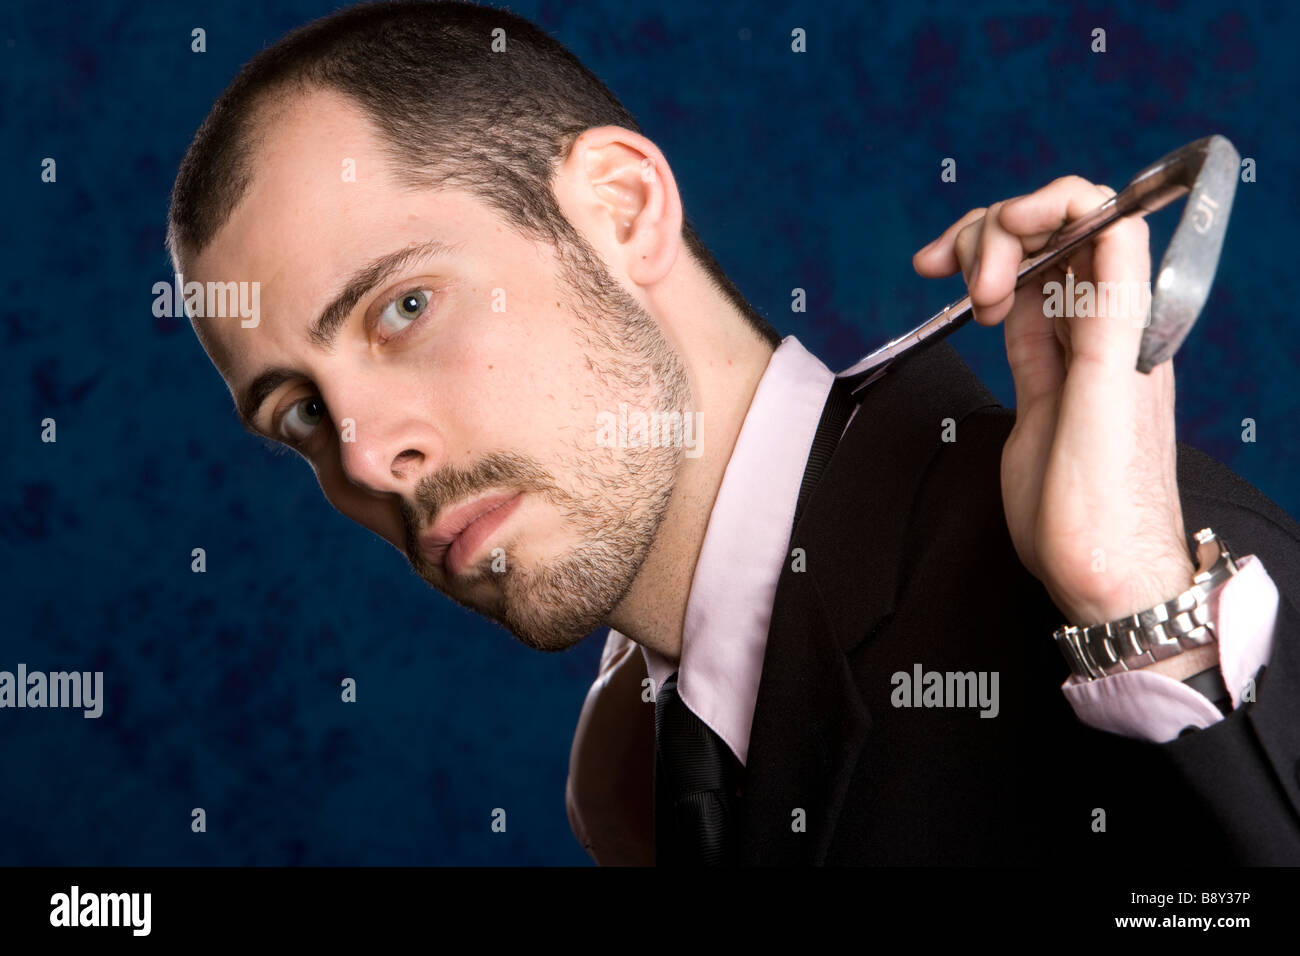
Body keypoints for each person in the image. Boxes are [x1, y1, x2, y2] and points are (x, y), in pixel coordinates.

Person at [166, 0, 1300, 865]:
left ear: (619, 210)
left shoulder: (1145, 572)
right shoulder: (642, 772)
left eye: (403, 306)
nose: (366, 454)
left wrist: (1137, 609)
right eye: (300, 411)